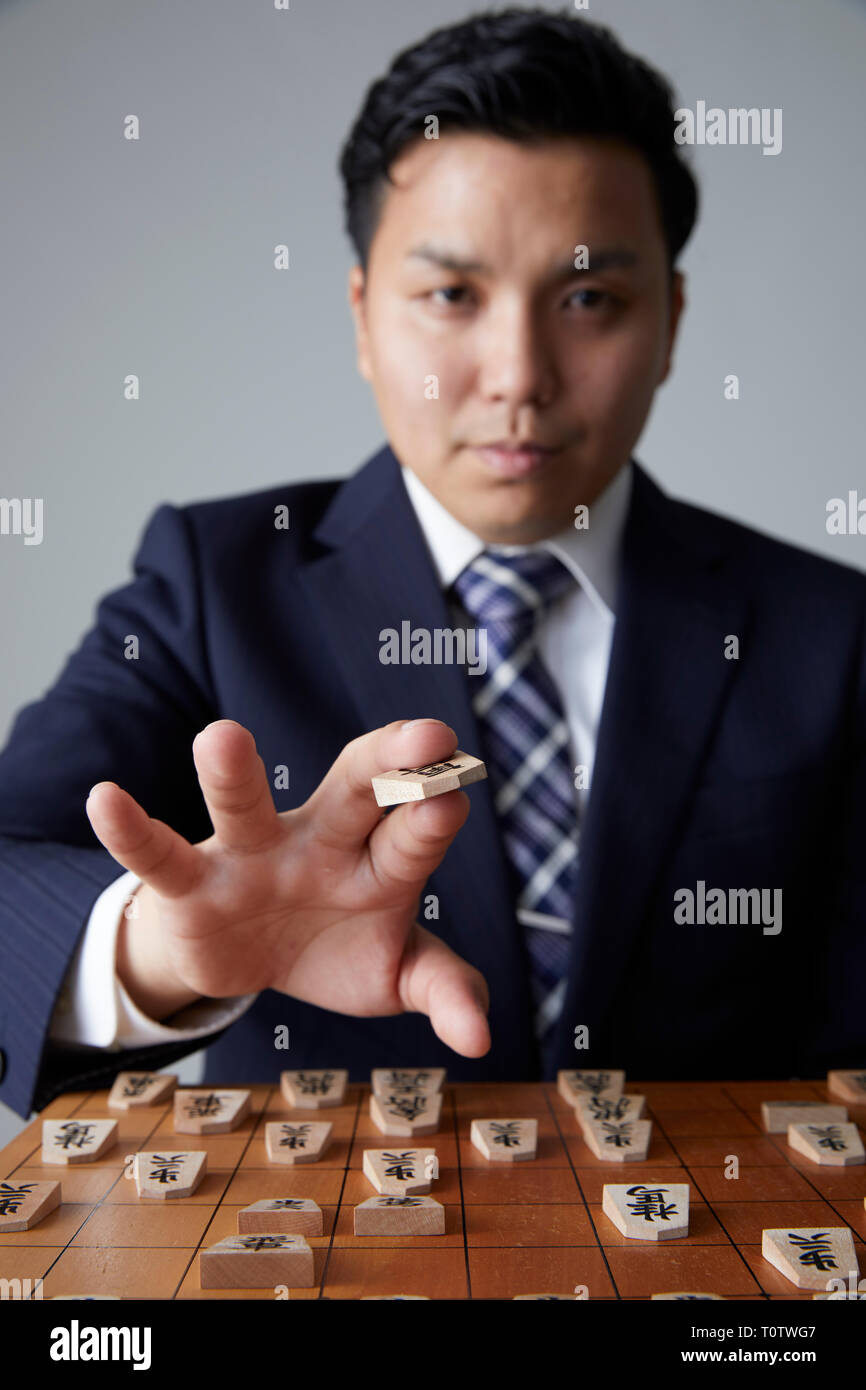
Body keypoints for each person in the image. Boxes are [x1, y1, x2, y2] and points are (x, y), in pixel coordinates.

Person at [1, 8, 863, 1122]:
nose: (518, 374)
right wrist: (163, 950)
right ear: (365, 316)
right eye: (452, 295)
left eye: (589, 298)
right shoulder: (212, 584)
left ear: (670, 321)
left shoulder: (827, 632)